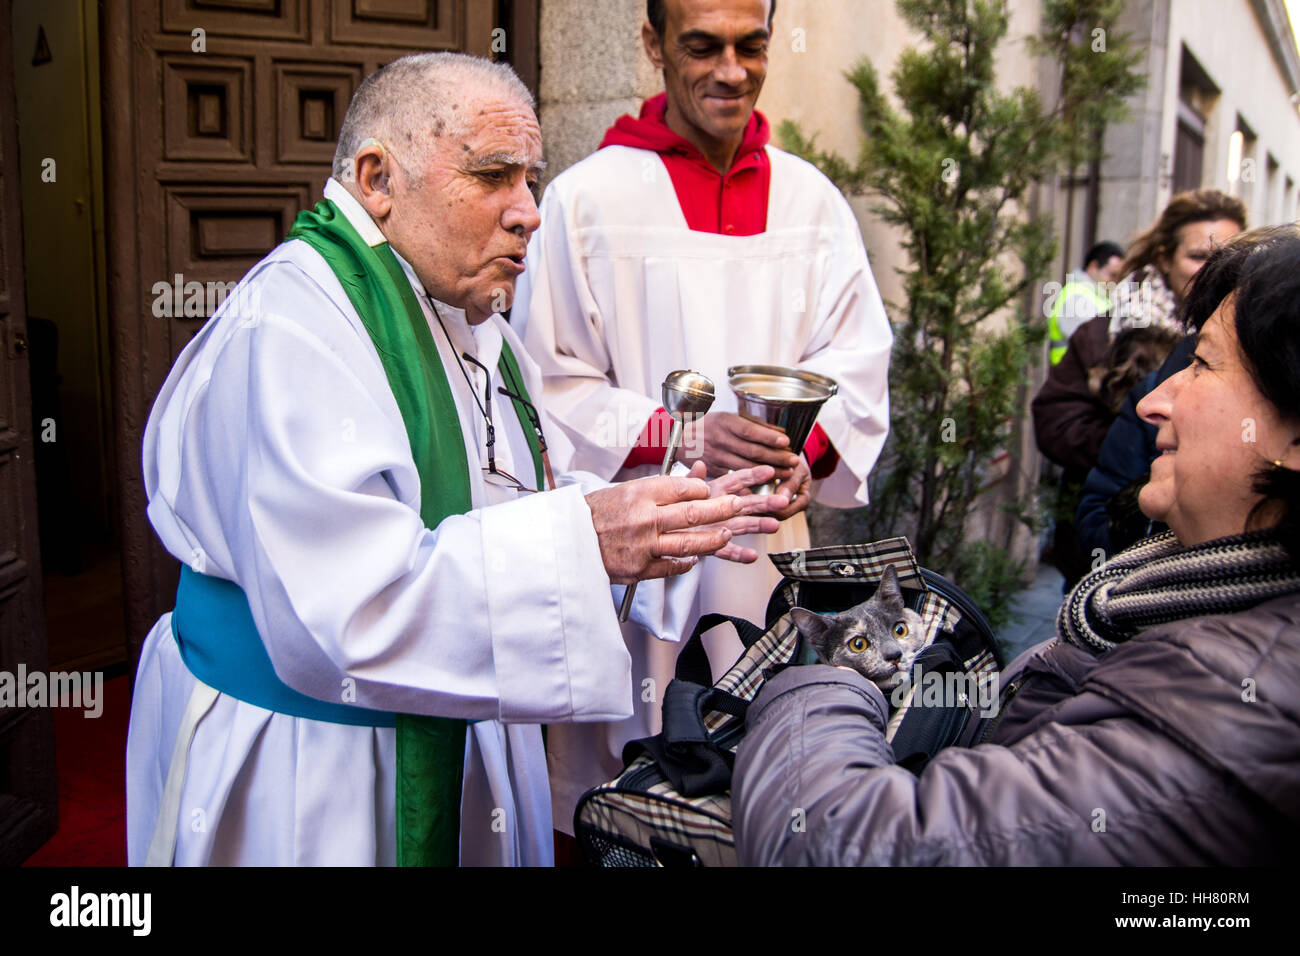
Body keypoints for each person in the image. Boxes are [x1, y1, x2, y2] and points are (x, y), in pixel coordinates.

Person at [126, 53, 789, 867]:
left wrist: (668, 517)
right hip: (319, 768)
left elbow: (505, 496)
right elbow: (348, 612)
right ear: (377, 179)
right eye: (493, 176)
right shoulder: (292, 328)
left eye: (532, 180)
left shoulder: (471, 318)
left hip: (458, 730)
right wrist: (585, 542)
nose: (530, 212)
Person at [732, 225, 1300, 865]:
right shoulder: (1159, 609)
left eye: (1201, 364)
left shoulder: (1227, 705)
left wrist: (822, 681)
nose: (1154, 403)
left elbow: (845, 847)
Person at [511, 0, 892, 827]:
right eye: (702, 46)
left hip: (768, 556)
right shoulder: (587, 201)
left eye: (751, 46)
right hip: (636, 557)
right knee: (623, 788)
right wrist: (686, 432)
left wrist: (806, 452)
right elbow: (542, 384)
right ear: (652, 44)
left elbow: (856, 362)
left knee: (760, 781)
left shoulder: (811, 203)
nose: (731, 70)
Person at [1032, 190, 1244, 585]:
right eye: (1199, 256)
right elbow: (1055, 424)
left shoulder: (1248, 337)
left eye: (1227, 258)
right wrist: (1142, 440)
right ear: (1164, 257)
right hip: (1106, 552)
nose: (1214, 271)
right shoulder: (1107, 332)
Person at [1047, 240, 1124, 365]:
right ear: (1093, 267)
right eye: (1112, 275)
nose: (1115, 282)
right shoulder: (1076, 296)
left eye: (1119, 277)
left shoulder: (1098, 297)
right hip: (1071, 376)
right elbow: (1089, 345)